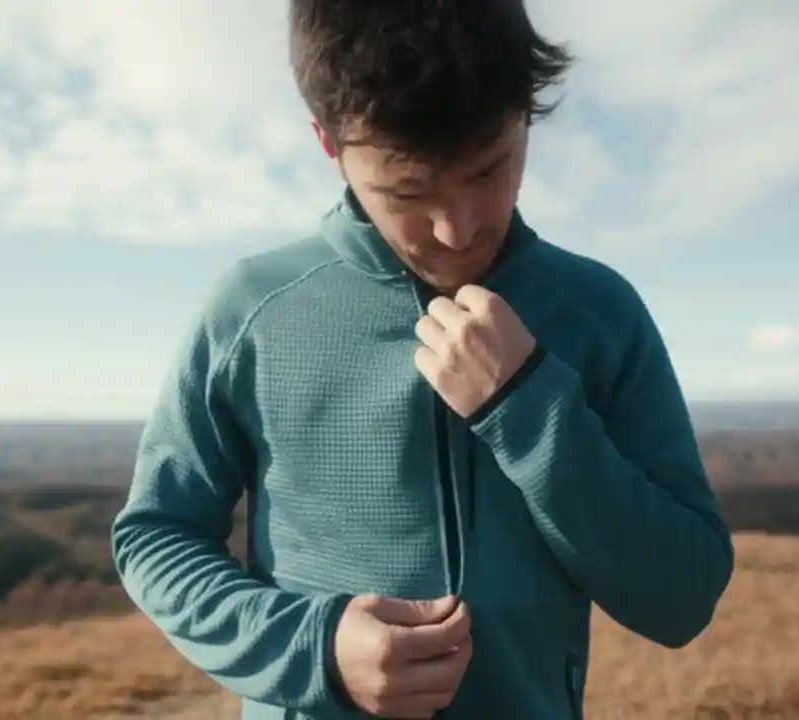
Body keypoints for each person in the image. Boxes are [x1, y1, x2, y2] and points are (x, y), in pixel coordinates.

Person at [111, 1, 735, 717]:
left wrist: (528, 407)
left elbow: (682, 598)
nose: (458, 230)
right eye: (408, 191)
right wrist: (314, 649)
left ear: (525, 116)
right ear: (327, 141)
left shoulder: (601, 313)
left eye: (490, 170)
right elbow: (156, 536)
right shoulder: (252, 310)